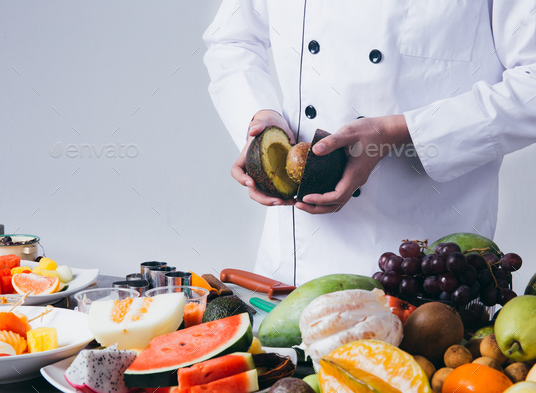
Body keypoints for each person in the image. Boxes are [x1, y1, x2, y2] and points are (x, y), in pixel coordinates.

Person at [203, 1, 536, 287]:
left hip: (430, 278)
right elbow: (232, 40)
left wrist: (398, 131)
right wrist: (259, 122)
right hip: (289, 276)